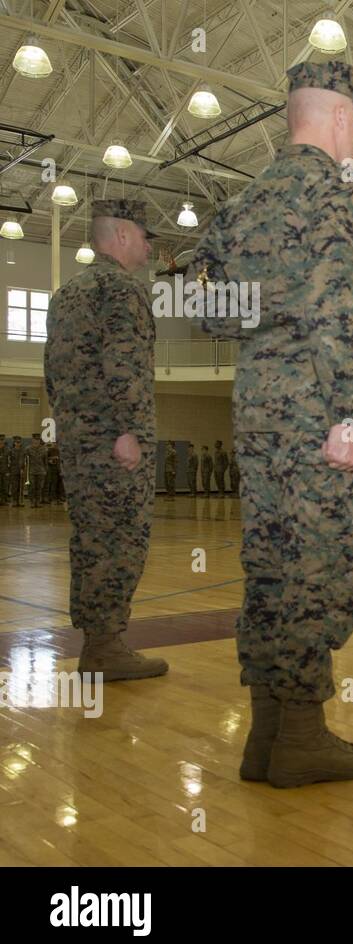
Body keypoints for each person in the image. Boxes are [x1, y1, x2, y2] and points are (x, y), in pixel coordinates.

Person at [186, 60, 353, 787]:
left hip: (260, 415)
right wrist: (343, 415)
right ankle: (302, 735)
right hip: (319, 410)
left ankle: (267, 731)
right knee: (320, 570)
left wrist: (268, 305)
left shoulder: (244, 202)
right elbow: (338, 303)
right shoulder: (336, 192)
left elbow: (201, 305)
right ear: (340, 116)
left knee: (271, 567)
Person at [45, 198, 168, 681]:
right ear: (120, 235)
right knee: (121, 540)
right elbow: (126, 367)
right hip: (114, 441)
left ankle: (98, 643)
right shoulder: (121, 289)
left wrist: (70, 425)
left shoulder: (66, 294)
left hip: (79, 441)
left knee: (92, 540)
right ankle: (106, 646)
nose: (149, 243)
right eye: (143, 234)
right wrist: (129, 431)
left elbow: (52, 370)